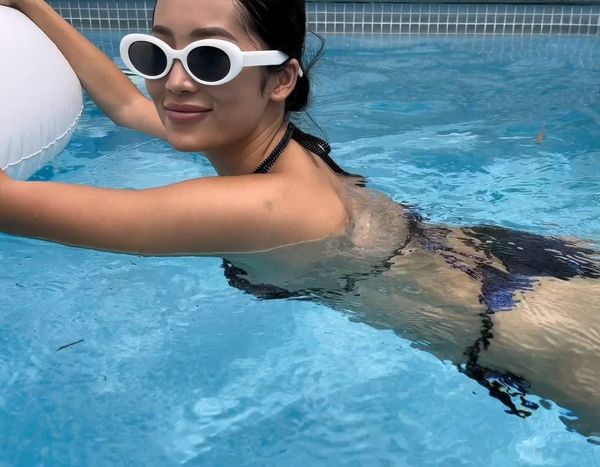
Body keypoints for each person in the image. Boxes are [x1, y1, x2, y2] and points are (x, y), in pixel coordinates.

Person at [0, 0, 599, 437]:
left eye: (209, 59)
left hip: (534, 331)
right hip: (510, 260)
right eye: (155, 54)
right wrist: (33, 6)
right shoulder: (266, 146)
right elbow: (127, 103)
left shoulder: (261, 207)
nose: (175, 83)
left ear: (281, 79)